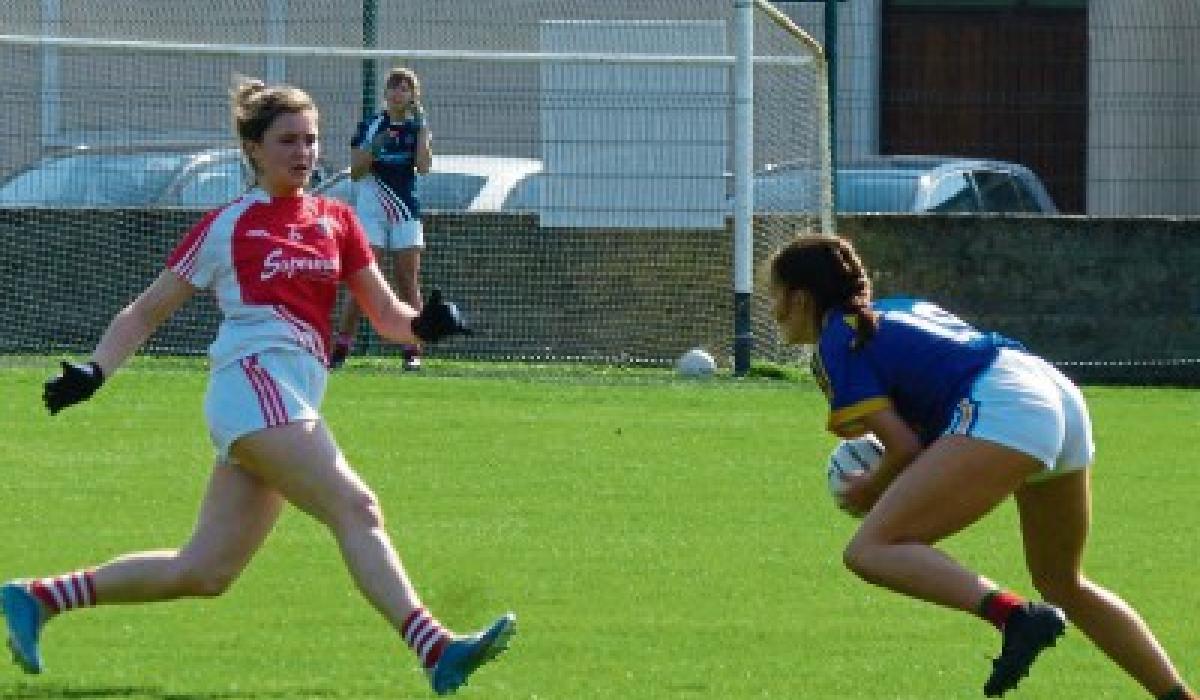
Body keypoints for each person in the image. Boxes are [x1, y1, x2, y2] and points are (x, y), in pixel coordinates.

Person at [3, 76, 514, 696]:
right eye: (287, 140)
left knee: (206, 570)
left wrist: (425, 326)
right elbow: (145, 312)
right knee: (356, 507)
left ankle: (37, 598)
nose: (303, 152)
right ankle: (434, 647)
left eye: (312, 140)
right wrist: (95, 370)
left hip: (286, 401)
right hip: (251, 388)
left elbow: (386, 317)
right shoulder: (228, 225)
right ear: (253, 148)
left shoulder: (338, 221)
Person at [766, 234, 1194, 699]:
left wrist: (873, 487)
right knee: (1061, 580)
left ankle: (1014, 616)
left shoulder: (837, 340)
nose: (773, 310)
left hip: (1006, 405)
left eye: (775, 296)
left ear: (801, 297)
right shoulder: (894, 310)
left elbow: (905, 447)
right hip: (1053, 391)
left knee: (871, 550)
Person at [330, 66, 432, 371]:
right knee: (363, 281)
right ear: (386, 93)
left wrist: (423, 129)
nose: (399, 93)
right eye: (394, 87)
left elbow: (424, 167)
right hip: (371, 211)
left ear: (414, 95)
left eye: (405, 88)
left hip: (405, 212)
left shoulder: (416, 129)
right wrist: (376, 146)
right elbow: (358, 171)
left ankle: (412, 348)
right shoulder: (372, 125)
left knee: (407, 281)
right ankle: (340, 350)